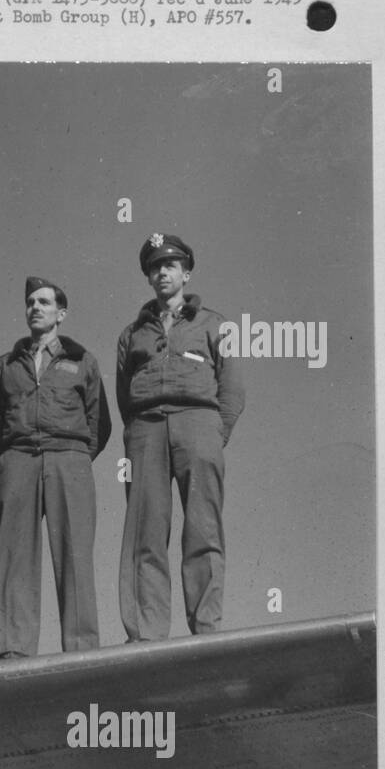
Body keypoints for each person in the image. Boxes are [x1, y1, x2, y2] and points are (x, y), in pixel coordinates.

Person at [116, 233, 244, 640]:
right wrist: (140, 431)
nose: (161, 273)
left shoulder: (214, 324)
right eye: (154, 267)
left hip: (199, 425)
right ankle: (147, 633)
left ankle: (206, 629)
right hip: (146, 430)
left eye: (169, 265)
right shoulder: (132, 333)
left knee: (203, 527)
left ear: (186, 273)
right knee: (145, 531)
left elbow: (233, 389)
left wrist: (211, 434)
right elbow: (123, 393)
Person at [0, 277, 111, 655]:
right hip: (19, 460)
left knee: (74, 552)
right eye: (30, 302)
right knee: (14, 555)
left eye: (43, 302)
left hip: (68, 460)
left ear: (61, 313)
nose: (35, 308)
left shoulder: (82, 360)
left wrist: (73, 456)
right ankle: (11, 646)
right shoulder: (6, 365)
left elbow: (99, 423)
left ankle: (81, 646)